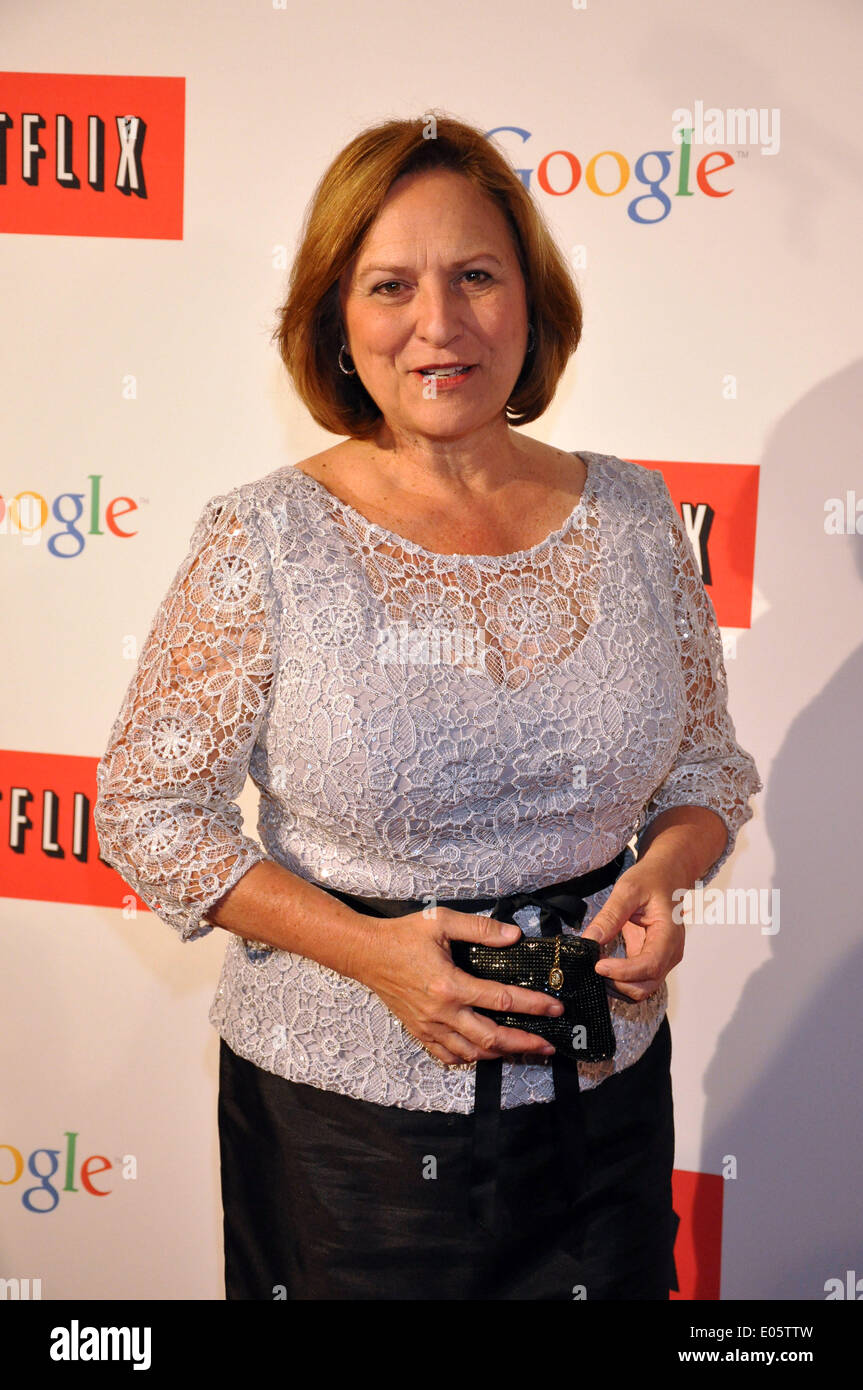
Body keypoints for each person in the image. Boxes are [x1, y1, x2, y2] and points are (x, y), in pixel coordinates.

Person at [94, 112, 762, 1301]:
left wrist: (661, 872)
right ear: (337, 322)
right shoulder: (265, 537)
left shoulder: (635, 515)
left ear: (531, 301)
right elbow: (148, 811)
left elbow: (706, 768)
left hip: (602, 1108)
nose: (438, 324)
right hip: (345, 1140)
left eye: (475, 277)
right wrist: (374, 956)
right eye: (390, 284)